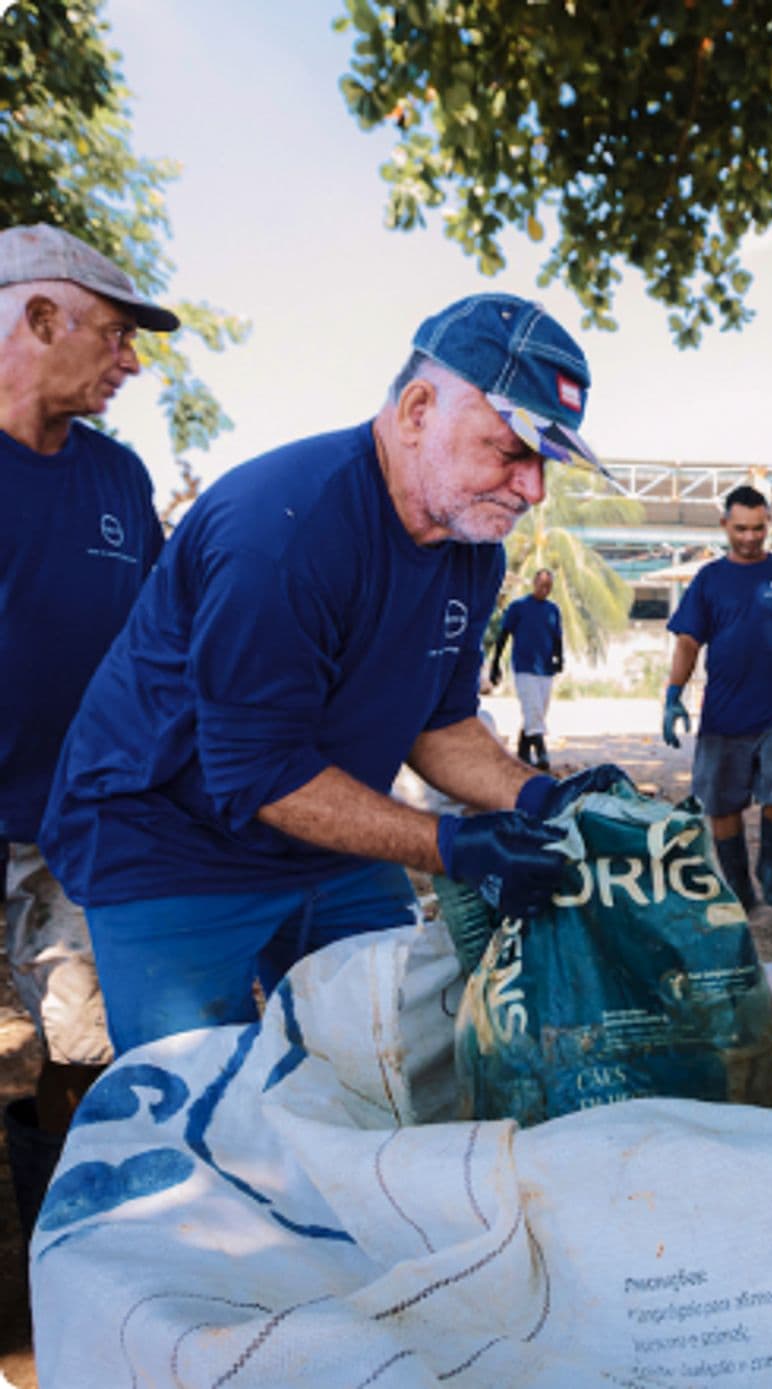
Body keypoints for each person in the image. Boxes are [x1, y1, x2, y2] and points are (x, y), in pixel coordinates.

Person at [41, 293, 627, 1054]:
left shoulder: (473, 550)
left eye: (544, 461)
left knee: (398, 1057)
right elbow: (260, 774)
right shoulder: (280, 532)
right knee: (197, 1099)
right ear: (418, 408)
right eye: (511, 451)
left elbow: (440, 724)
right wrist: (454, 846)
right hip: (165, 837)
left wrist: (542, 794)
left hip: (322, 831)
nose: (533, 489)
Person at [0, 224, 179, 1225]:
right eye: (113, 335)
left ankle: (68, 1244)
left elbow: (162, 644)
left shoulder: (117, 479)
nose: (131, 360)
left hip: (70, 829)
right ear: (37, 317)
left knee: (83, 1047)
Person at [661, 485, 772, 910]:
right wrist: (672, 695)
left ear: (768, 525)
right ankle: (739, 883)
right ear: (725, 525)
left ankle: (770, 866)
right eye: (740, 529)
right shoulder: (709, 578)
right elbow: (688, 642)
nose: (749, 537)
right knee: (722, 804)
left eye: (758, 529)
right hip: (726, 712)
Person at [490, 566, 565, 769]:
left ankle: (523, 754)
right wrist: (495, 663)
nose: (545, 589)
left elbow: (557, 638)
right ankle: (542, 754)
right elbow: (503, 635)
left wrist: (560, 658)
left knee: (537, 713)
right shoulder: (518, 607)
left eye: (548, 586)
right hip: (524, 667)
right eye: (541, 584)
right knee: (533, 710)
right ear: (534, 584)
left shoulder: (553, 610)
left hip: (546, 669)